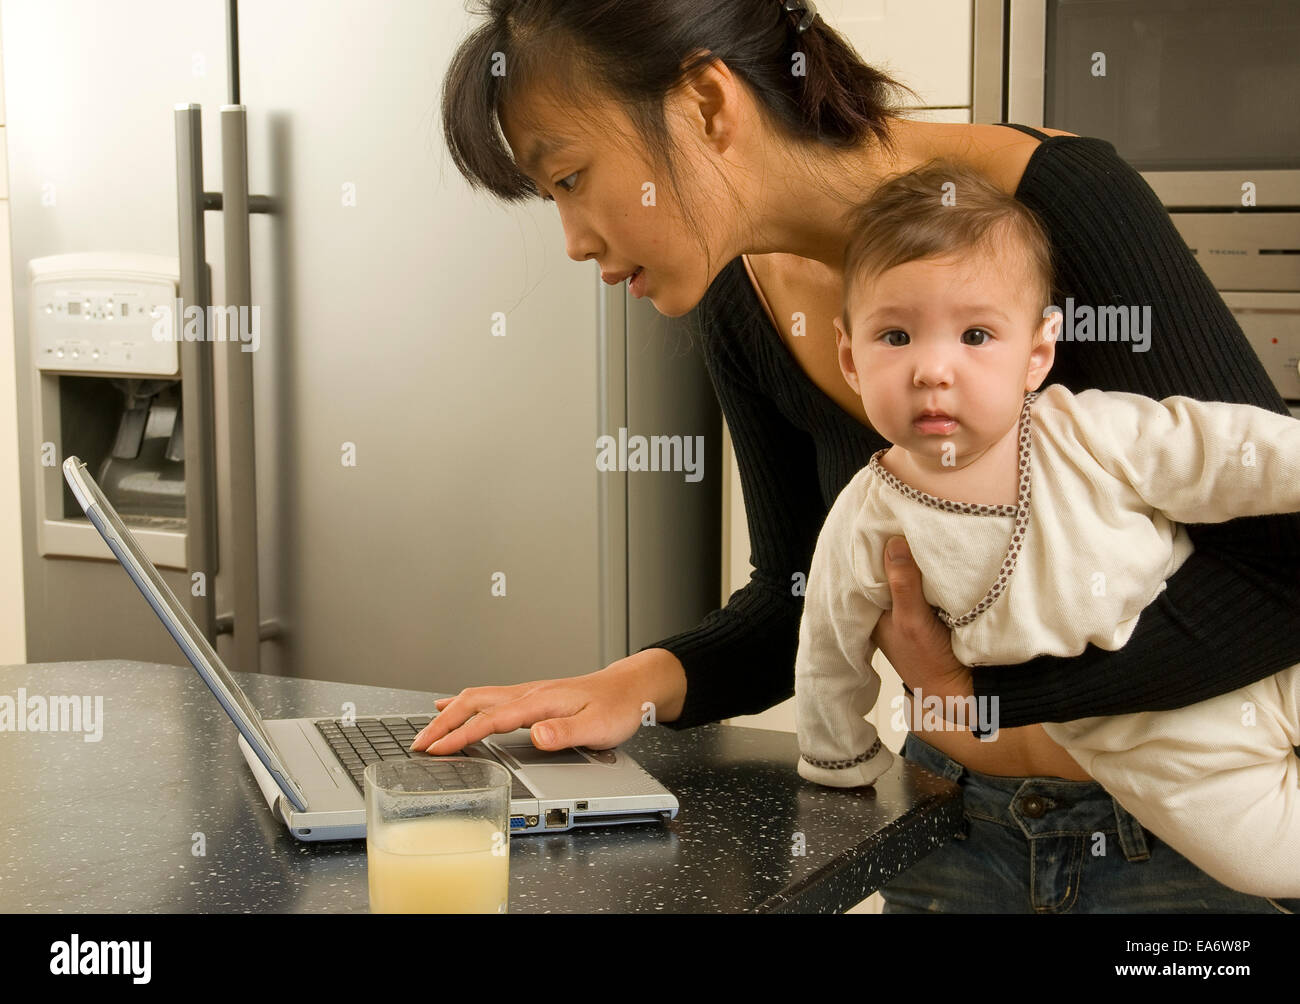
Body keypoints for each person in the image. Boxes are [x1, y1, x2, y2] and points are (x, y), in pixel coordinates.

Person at [416, 0, 1300, 911]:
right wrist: (629, 687)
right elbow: (801, 595)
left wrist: (971, 694)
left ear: (709, 105)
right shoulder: (741, 298)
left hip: (1176, 840)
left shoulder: (1060, 203)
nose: (574, 242)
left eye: (569, 177)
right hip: (947, 824)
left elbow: (1281, 573)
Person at [792, 158, 1300, 900]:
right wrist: (839, 755)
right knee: (1274, 863)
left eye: (975, 334)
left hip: (1257, 667)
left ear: (1036, 354)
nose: (934, 369)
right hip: (1142, 743)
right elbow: (828, 645)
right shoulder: (872, 512)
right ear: (850, 356)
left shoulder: (1086, 431)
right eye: (896, 337)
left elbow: (1218, 451)